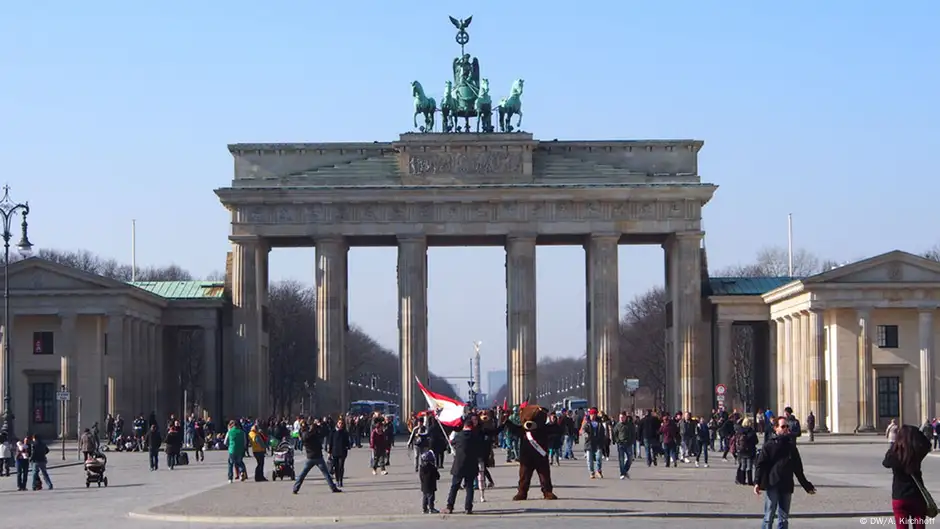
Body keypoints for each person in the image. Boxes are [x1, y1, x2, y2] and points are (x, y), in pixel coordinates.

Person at [754, 416, 816, 528]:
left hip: (787, 484)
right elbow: (760, 465)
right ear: (776, 428)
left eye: (787, 426)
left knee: (783, 519)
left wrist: (807, 486)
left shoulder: (791, 447)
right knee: (769, 517)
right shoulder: (769, 445)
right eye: (783, 426)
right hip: (773, 484)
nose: (786, 429)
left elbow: (798, 469)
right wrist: (757, 482)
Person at [882, 424, 932, 526]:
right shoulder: (917, 452)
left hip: (900, 496)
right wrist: (917, 434)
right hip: (917, 496)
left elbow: (885, 463)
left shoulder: (894, 455)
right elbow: (927, 444)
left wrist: (895, 445)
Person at [293, 419, 341, 494]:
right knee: (326, 474)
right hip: (317, 457)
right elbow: (318, 434)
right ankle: (333, 487)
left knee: (303, 474)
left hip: (310, 457)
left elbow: (320, 433)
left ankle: (295, 488)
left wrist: (316, 427)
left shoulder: (304, 434)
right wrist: (316, 427)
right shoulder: (308, 434)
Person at [445, 415, 481, 514]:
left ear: (464, 426)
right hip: (471, 465)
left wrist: (451, 442)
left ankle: (450, 506)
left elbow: (452, 443)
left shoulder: (459, 436)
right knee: (469, 487)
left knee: (455, 486)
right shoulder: (475, 436)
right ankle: (468, 508)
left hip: (459, 465)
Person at [327, 417, 351, 488]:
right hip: (335, 452)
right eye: (339, 423)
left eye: (342, 423)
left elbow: (347, 442)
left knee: (341, 466)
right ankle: (337, 480)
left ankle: (341, 480)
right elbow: (330, 442)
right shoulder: (333, 432)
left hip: (342, 452)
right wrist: (329, 452)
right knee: (336, 467)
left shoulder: (345, 432)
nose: (340, 425)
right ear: (337, 423)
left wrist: (348, 446)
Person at [419, 450, 440, 514]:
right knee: (431, 497)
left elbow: (420, 477)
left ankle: (424, 509)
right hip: (431, 485)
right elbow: (437, 476)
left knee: (425, 497)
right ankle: (431, 508)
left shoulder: (422, 468)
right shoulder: (432, 468)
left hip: (424, 485)